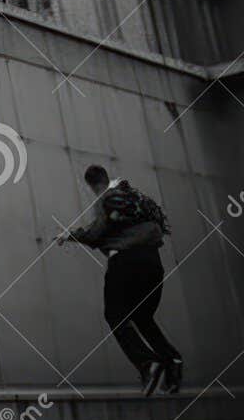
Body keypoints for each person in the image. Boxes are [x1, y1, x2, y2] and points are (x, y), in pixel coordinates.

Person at [56, 164, 183, 396]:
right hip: (153, 263)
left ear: (92, 185)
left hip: (125, 262)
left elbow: (95, 233)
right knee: (142, 316)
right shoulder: (137, 198)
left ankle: (147, 363)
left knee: (114, 314)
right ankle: (172, 361)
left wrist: (70, 235)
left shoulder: (106, 198)